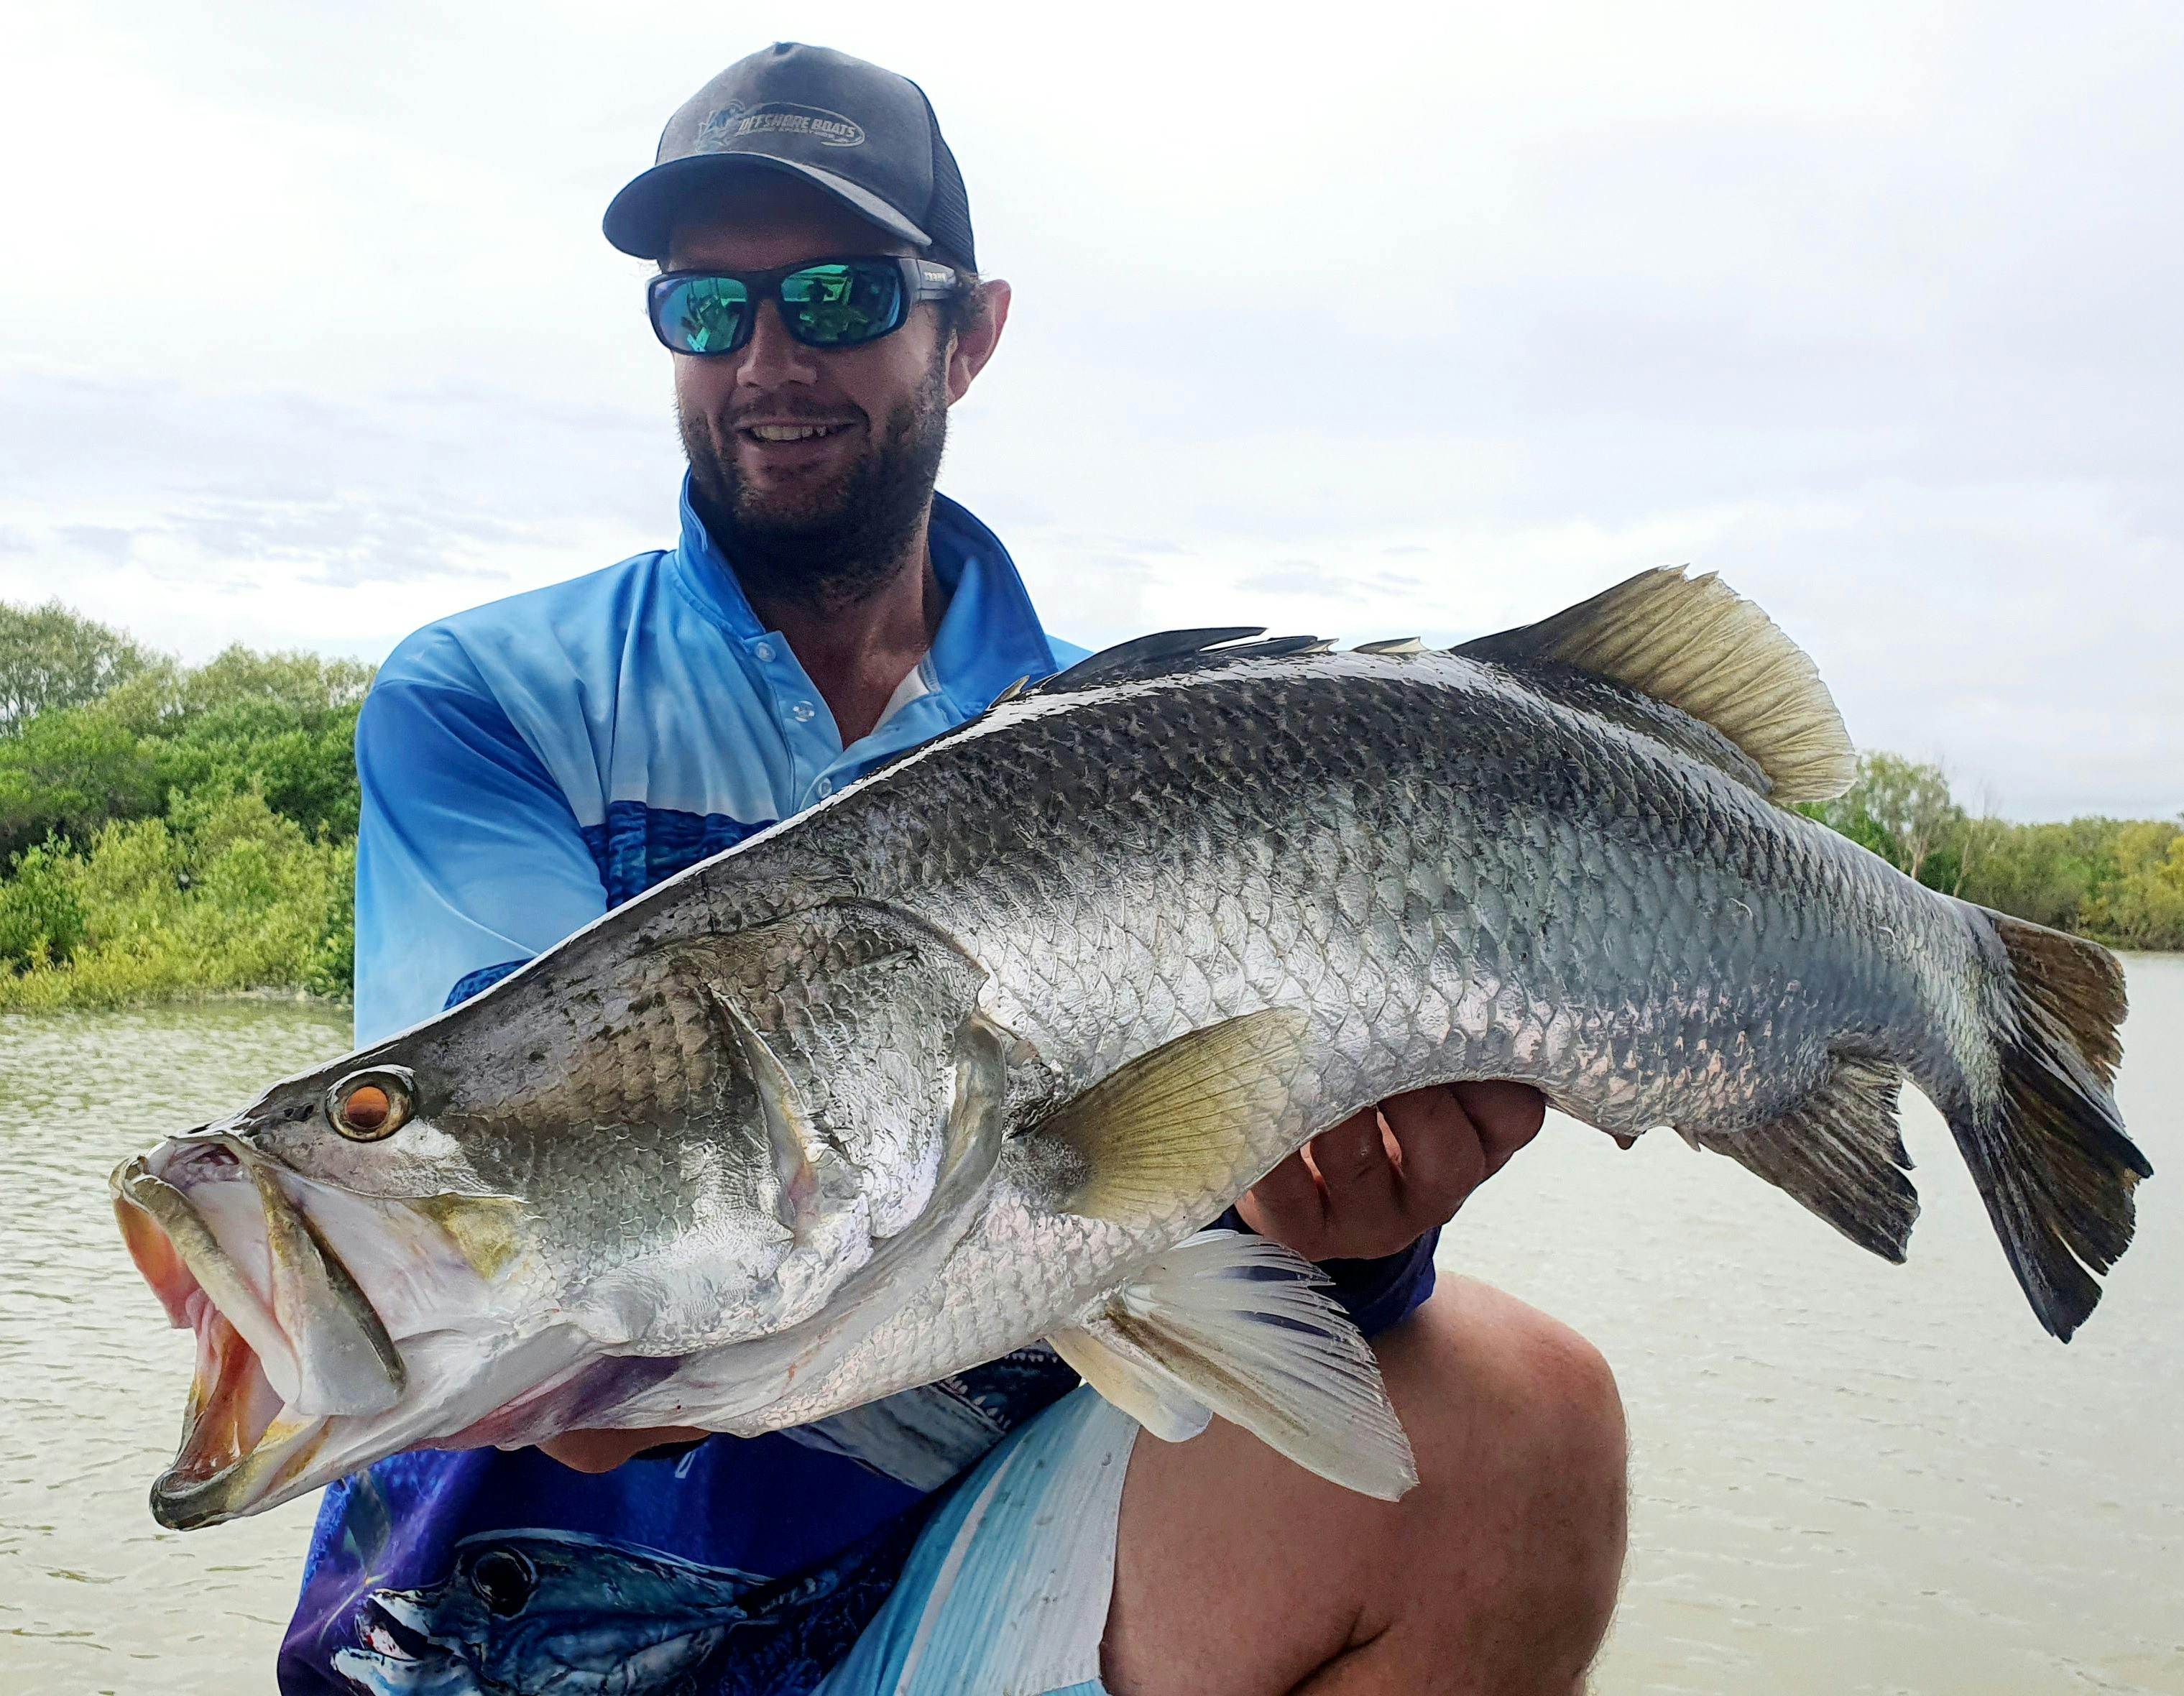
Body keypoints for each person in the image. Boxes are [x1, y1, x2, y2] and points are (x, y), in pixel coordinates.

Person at [282, 42, 1627, 1696]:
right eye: (705, 307)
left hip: (950, 1601)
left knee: (1519, 1414)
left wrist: (1356, 1231)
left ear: (968, 333)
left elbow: (1195, 1242)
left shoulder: (1145, 752)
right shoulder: (490, 700)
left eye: (839, 296)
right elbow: (518, 1183)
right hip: (490, 1649)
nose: (766, 357)